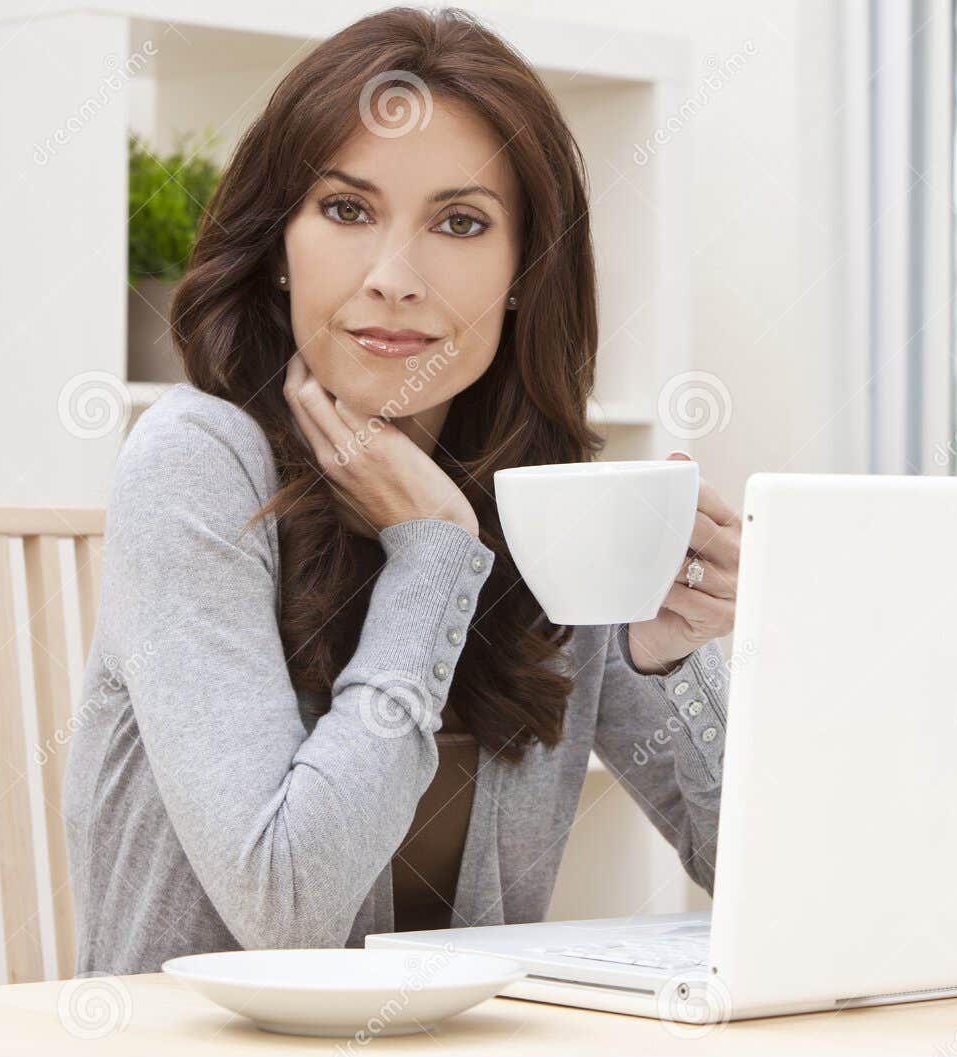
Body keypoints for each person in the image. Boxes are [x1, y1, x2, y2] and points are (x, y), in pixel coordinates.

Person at [62, 6, 741, 976]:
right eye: (347, 210)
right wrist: (432, 555)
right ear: (278, 242)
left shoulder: (547, 504)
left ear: (524, 269)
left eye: (460, 223)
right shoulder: (195, 463)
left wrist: (675, 666)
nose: (393, 277)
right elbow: (286, 908)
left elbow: (761, 875)